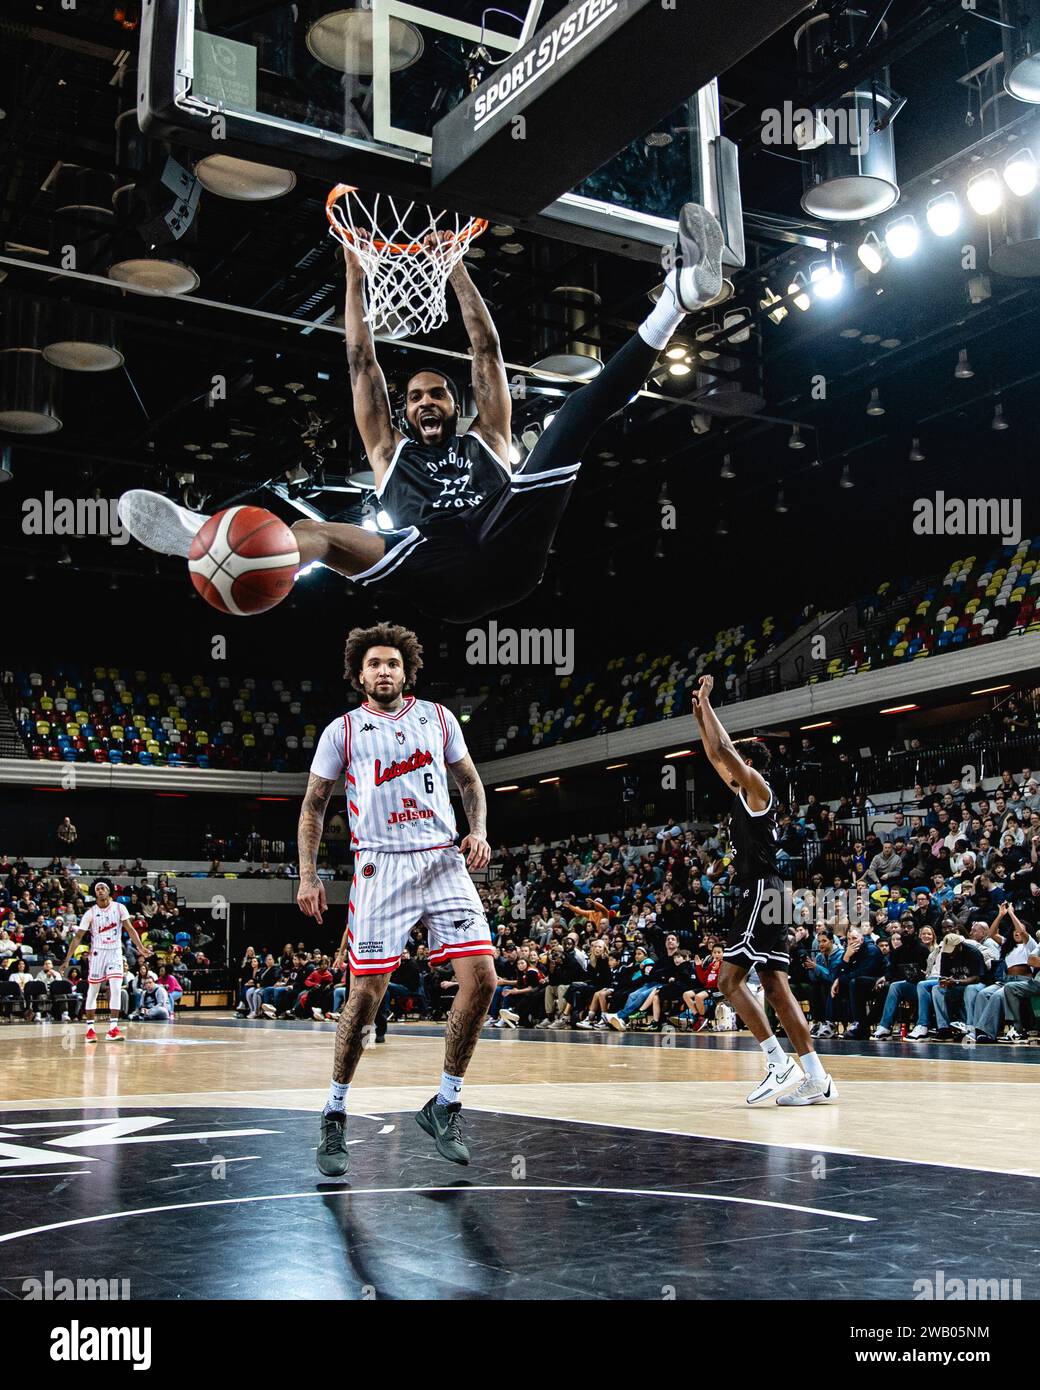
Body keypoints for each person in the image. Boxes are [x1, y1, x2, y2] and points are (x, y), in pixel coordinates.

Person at [117, 205, 726, 623]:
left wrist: (454, 266)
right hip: (429, 564)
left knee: (572, 419)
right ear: (405, 412)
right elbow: (361, 363)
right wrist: (355, 274)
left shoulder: (489, 436)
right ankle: (216, 540)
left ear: (455, 406)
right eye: (414, 397)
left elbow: (485, 350)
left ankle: (678, 297)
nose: (425, 401)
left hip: (504, 541)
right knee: (325, 535)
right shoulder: (389, 452)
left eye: (436, 394)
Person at [297, 622, 495, 1175]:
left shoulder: (438, 717)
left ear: (406, 671)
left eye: (392, 663)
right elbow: (314, 806)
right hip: (380, 865)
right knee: (366, 997)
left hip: (442, 858)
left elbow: (471, 783)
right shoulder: (343, 731)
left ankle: (446, 1101)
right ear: (359, 675)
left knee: (483, 977)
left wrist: (476, 831)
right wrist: (308, 875)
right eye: (374, 664)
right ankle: (335, 1114)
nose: (384, 671)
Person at [691, 675, 837, 1106]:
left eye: (732, 764)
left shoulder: (758, 789)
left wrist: (710, 705)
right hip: (771, 894)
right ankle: (816, 1075)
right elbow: (713, 752)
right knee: (774, 986)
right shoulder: (740, 793)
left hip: (762, 891)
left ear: (747, 765)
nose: (724, 769)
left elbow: (722, 751)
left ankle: (777, 1061)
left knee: (728, 980)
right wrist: (699, 713)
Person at [59, 879, 147, 1042]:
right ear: (95, 893)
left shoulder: (120, 908)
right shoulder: (90, 912)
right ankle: (90, 1030)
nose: (100, 890)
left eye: (103, 888)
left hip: (115, 952)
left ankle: (113, 1028)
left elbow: (130, 929)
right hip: (98, 953)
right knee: (93, 991)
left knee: (115, 989)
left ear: (109, 891)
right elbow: (78, 936)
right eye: (97, 889)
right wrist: (67, 959)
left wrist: (140, 948)